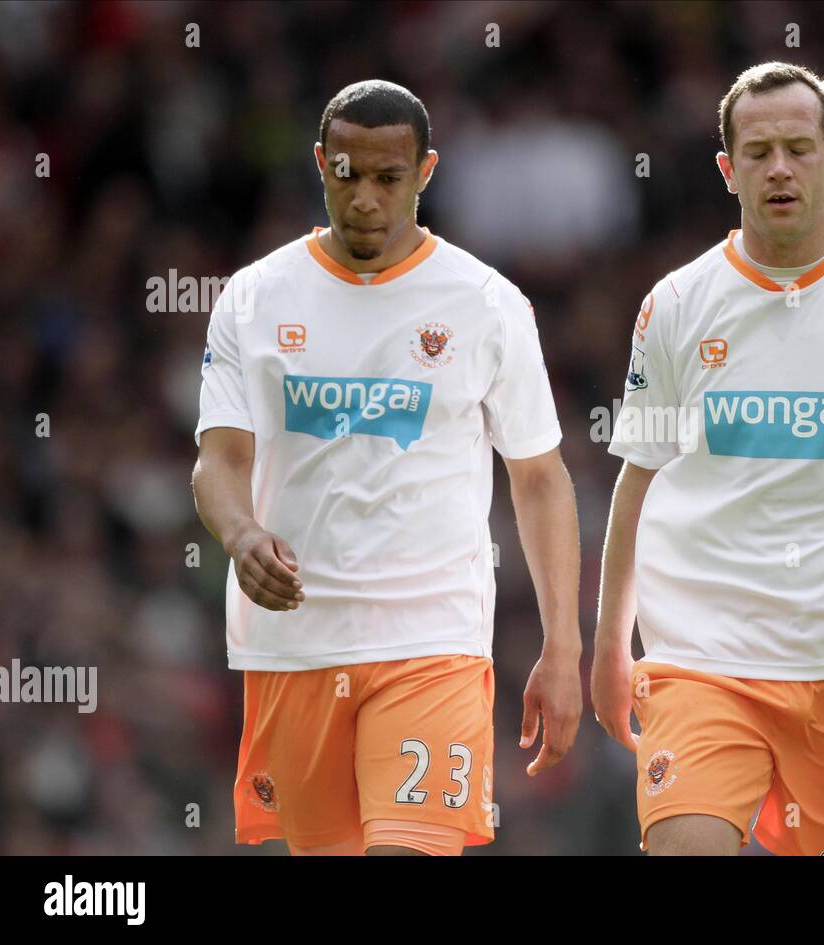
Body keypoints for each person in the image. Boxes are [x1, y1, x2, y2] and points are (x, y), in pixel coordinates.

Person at [591, 62, 824, 856]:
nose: (779, 168)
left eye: (798, 149)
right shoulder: (676, 304)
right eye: (758, 152)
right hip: (701, 657)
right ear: (727, 169)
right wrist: (607, 642)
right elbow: (638, 480)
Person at [191, 80, 582, 856]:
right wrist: (240, 534)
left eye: (388, 177)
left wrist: (563, 643)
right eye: (346, 173)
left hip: (432, 639)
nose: (365, 197)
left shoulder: (485, 302)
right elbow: (219, 460)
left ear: (425, 172)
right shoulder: (254, 297)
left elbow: (539, 475)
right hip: (297, 643)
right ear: (320, 163)